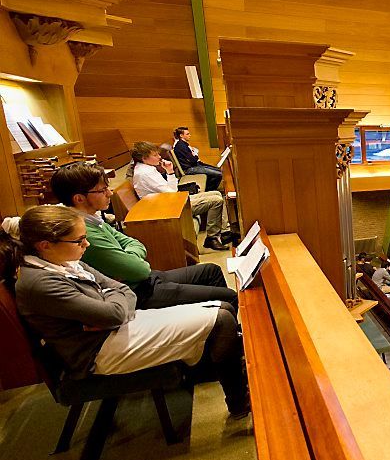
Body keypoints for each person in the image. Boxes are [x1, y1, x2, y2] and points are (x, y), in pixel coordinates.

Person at [10, 205, 249, 417]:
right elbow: (113, 313)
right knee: (222, 320)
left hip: (114, 329)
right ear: (45, 245)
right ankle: (239, 403)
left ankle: (229, 375)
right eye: (79, 240)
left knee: (225, 307)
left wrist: (110, 302)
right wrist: (112, 303)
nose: (87, 244)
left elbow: (120, 288)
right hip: (98, 351)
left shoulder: (62, 259)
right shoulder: (39, 282)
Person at [50, 162, 237, 309]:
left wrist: (131, 254)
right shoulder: (82, 230)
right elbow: (138, 269)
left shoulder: (90, 217)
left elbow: (132, 242)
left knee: (210, 270)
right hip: (136, 292)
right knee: (228, 296)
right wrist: (134, 257)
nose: (110, 193)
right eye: (102, 190)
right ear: (79, 198)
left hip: (143, 279)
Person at [129, 141, 233, 251]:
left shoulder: (146, 168)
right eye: (155, 155)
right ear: (144, 158)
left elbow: (171, 191)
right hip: (167, 207)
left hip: (170, 200)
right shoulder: (145, 173)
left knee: (217, 194)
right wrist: (170, 173)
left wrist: (169, 171)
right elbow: (172, 192)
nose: (159, 157)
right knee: (216, 200)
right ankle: (212, 238)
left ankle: (221, 232)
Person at [172, 126, 224, 191]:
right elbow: (193, 160)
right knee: (219, 174)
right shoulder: (181, 146)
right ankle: (209, 190)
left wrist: (194, 154)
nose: (190, 135)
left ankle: (209, 189)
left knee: (218, 170)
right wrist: (195, 154)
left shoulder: (183, 144)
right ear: (181, 135)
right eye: (187, 134)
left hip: (194, 165)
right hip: (189, 169)